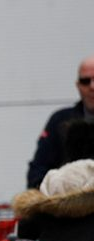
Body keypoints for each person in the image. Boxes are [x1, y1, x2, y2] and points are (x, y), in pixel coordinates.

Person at [27, 54, 94, 189]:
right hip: (70, 204)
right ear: (78, 85)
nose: (92, 86)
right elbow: (37, 172)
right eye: (85, 81)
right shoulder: (60, 121)